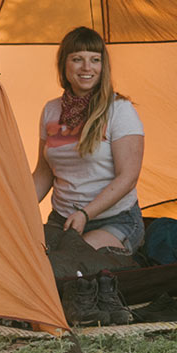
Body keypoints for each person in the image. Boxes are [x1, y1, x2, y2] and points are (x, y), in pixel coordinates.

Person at [34, 26, 148, 255]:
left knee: (76, 259)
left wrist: (86, 214)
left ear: (102, 66)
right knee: (30, 261)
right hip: (63, 220)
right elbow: (43, 173)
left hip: (114, 220)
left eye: (94, 60)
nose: (87, 67)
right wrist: (14, 211)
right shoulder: (51, 110)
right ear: (64, 65)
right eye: (77, 59)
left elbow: (128, 177)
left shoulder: (119, 110)